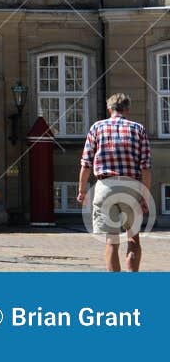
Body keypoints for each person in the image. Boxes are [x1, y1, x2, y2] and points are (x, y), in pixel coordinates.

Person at [78, 92, 153, 272]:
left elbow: (86, 164)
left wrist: (81, 191)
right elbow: (145, 167)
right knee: (133, 238)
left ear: (108, 108)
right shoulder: (138, 129)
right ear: (127, 109)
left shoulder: (97, 128)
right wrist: (145, 197)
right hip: (132, 186)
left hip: (105, 187)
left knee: (111, 242)